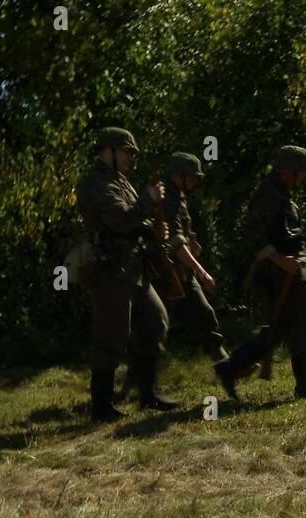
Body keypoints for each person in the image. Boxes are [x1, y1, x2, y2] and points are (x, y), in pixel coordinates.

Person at [213, 146, 306, 400]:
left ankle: (231, 368)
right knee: (303, 325)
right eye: (301, 171)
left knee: (278, 328)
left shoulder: (280, 193)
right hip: (280, 274)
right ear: (286, 170)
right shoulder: (269, 194)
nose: (304, 177)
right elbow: (253, 234)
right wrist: (282, 261)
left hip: (287, 272)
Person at [76, 127, 179, 422]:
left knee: (155, 322)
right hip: (109, 268)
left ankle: (148, 394)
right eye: (126, 151)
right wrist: (147, 200)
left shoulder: (121, 182)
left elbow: (135, 221)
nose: (131, 158)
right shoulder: (96, 183)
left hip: (133, 266)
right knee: (112, 335)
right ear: (108, 150)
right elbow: (120, 220)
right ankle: (101, 406)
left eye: (132, 153)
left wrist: (153, 228)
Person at [157, 152, 229, 362]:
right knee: (157, 324)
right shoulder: (168, 199)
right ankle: (140, 379)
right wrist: (202, 271)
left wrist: (192, 241)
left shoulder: (177, 197)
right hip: (168, 272)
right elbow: (176, 244)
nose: (196, 181)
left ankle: (226, 366)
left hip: (181, 273)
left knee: (205, 314)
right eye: (193, 176)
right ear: (179, 176)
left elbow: (183, 236)